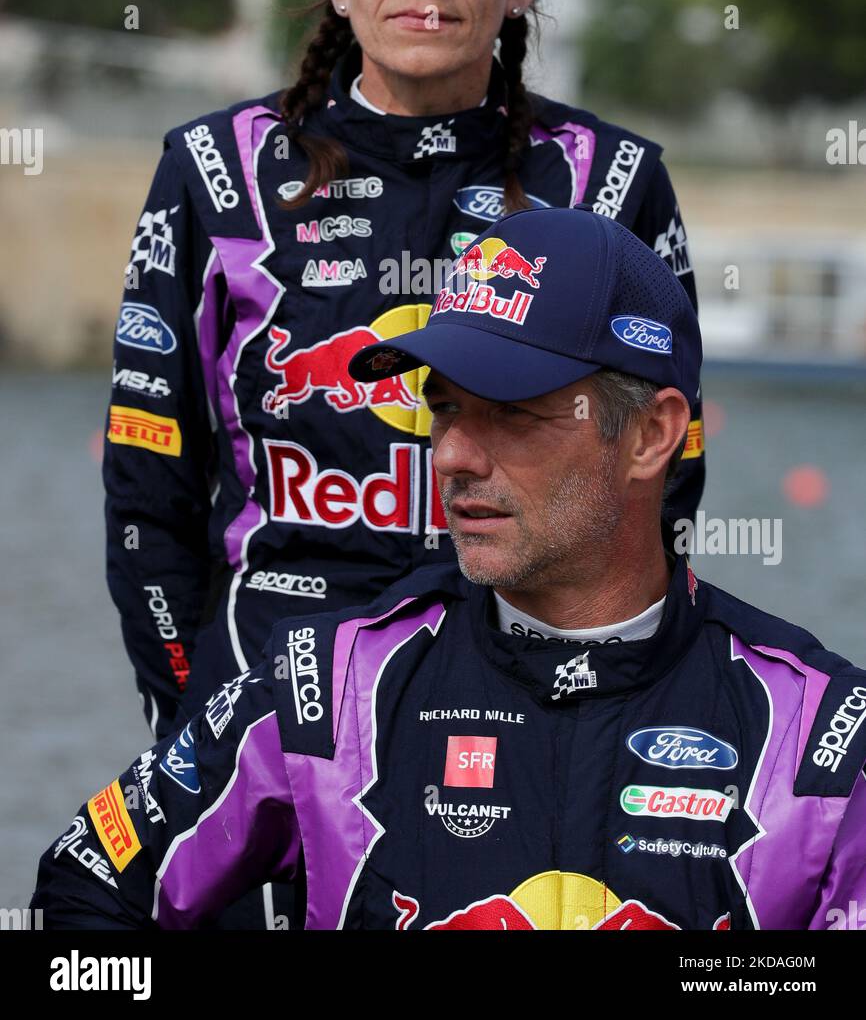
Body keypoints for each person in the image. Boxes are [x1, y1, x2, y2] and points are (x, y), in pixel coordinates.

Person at [104, 0, 704, 925]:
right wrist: (204, 730)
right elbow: (147, 499)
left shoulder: (612, 183)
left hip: (528, 721)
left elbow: (662, 485)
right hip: (270, 719)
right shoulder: (213, 174)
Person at [36, 209, 865, 931]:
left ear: (650, 435)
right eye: (444, 408)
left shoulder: (824, 739)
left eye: (512, 412)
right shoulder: (322, 690)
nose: (455, 455)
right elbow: (84, 885)